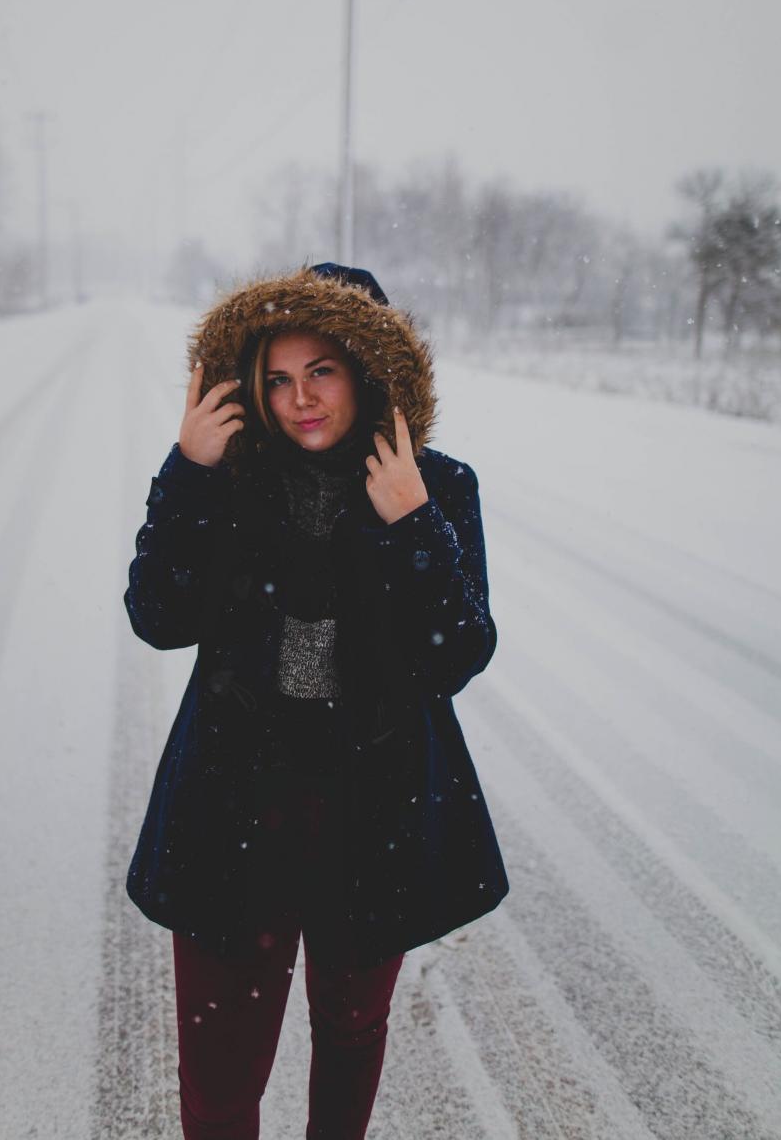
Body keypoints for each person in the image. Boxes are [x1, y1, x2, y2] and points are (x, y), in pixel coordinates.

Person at [123, 260, 509, 1140]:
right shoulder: (225, 476)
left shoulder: (437, 484)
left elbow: (457, 654)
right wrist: (188, 471)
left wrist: (412, 523)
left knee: (351, 1029)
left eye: (321, 371)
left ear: (369, 370)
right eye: (277, 378)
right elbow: (158, 617)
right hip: (232, 801)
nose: (299, 398)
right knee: (219, 1068)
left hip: (373, 806)